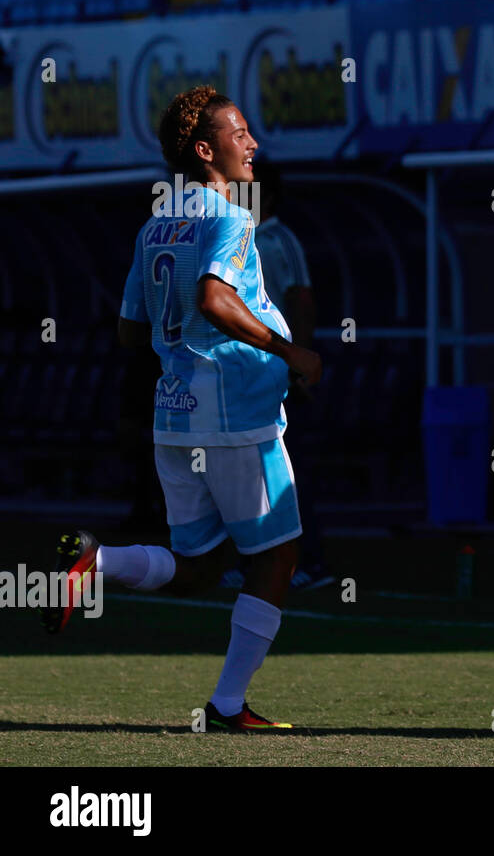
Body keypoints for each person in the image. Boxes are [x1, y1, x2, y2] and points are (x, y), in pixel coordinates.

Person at [43, 85, 322, 732]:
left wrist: (182, 350)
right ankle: (227, 705)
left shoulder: (155, 224)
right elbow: (215, 302)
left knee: (198, 568)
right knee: (279, 558)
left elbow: (129, 331)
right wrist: (293, 353)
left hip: (175, 415)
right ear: (205, 149)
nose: (252, 144)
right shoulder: (230, 216)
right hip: (234, 413)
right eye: (239, 134)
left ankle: (97, 561)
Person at [221, 162, 334, 591]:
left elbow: (301, 300)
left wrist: (296, 365)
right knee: (244, 474)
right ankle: (256, 563)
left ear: (263, 196)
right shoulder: (236, 239)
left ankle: (313, 562)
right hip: (244, 378)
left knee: (288, 473)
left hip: (276, 376)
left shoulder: (277, 241)